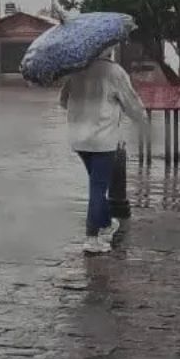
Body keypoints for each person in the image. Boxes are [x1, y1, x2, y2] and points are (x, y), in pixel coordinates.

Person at [59, 51, 147, 255]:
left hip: (79, 139)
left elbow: (63, 101)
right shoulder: (114, 71)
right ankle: (91, 237)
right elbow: (131, 103)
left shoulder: (76, 70)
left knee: (96, 183)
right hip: (103, 139)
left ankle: (106, 223)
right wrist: (142, 120)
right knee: (98, 188)